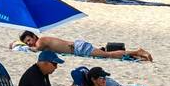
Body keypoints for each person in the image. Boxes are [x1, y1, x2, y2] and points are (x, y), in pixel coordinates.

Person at [16, 30, 152, 61]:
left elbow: (36, 49)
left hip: (78, 48)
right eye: (27, 42)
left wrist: (17, 45)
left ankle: (137, 51)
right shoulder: (42, 41)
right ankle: (136, 54)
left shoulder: (41, 41)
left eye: (29, 40)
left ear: (34, 36)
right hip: (78, 48)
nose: (29, 43)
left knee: (107, 55)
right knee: (105, 54)